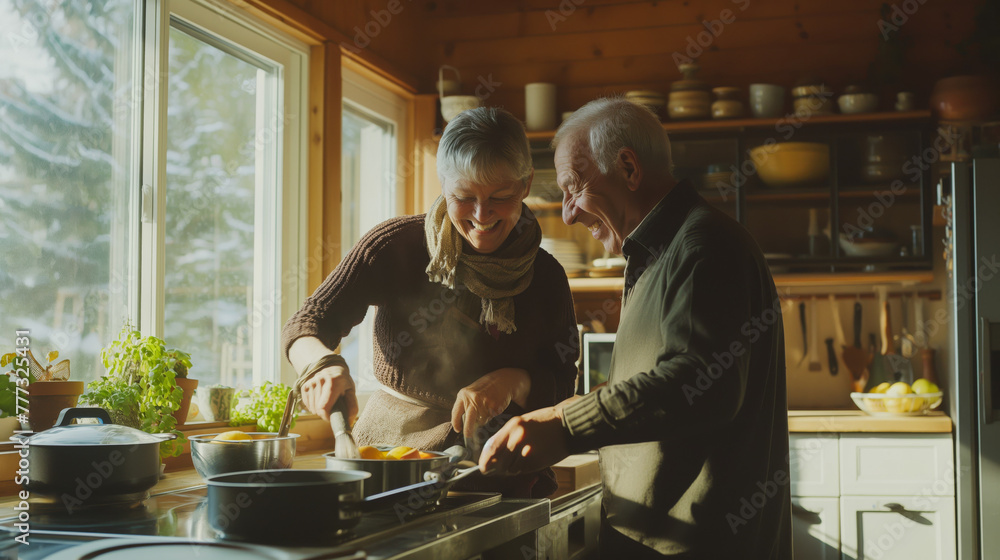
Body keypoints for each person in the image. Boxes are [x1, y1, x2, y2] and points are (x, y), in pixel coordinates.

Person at [479, 97, 792, 558]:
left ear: (628, 167)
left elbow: (700, 384)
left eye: (573, 188)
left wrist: (565, 424)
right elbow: (655, 386)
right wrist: (557, 417)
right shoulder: (655, 256)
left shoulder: (704, 246)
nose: (567, 214)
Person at [281, 106, 578, 497]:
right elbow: (308, 322)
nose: (481, 215)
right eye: (463, 196)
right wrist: (322, 363)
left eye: (500, 196)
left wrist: (515, 381)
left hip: (503, 468)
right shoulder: (394, 246)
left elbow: (563, 378)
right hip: (391, 460)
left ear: (525, 185)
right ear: (442, 184)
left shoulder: (548, 277)